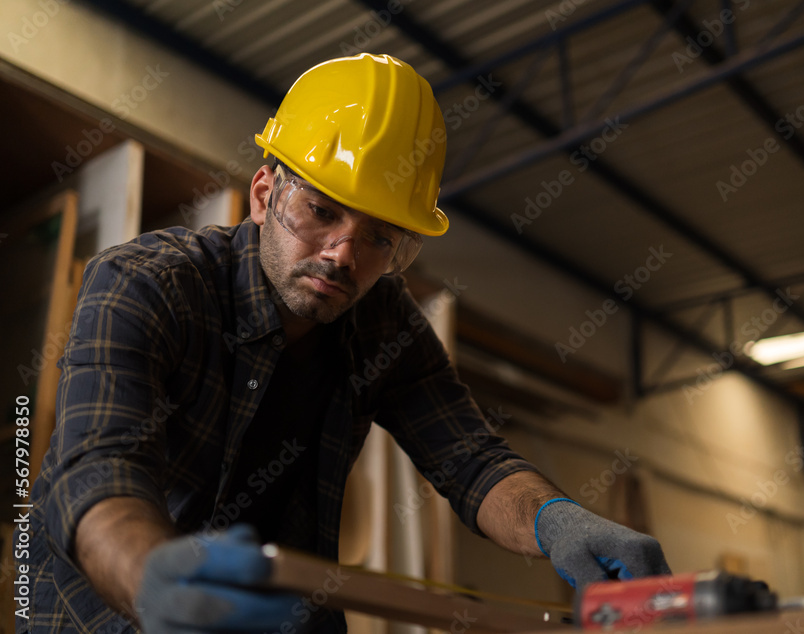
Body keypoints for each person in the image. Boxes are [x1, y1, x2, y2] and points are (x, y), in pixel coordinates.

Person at [20, 53, 670, 634]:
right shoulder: (147, 284)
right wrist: (150, 578)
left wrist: (557, 519)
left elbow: (472, 461)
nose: (343, 255)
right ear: (265, 193)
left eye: (379, 237)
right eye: (322, 212)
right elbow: (99, 472)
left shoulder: (384, 323)